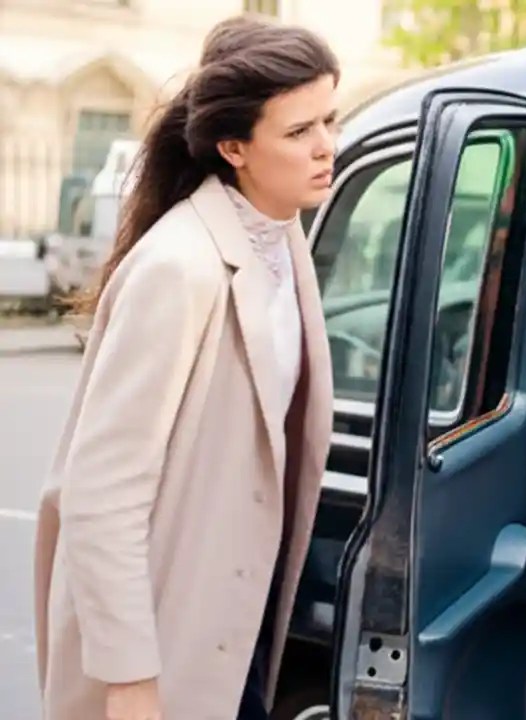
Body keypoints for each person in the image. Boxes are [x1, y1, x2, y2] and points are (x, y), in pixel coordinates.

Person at [32, 16, 340, 720]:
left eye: (330, 117)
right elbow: (100, 493)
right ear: (234, 148)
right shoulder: (180, 267)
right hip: (169, 632)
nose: (327, 146)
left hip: (237, 614)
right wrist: (130, 679)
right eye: (298, 132)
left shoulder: (281, 232)